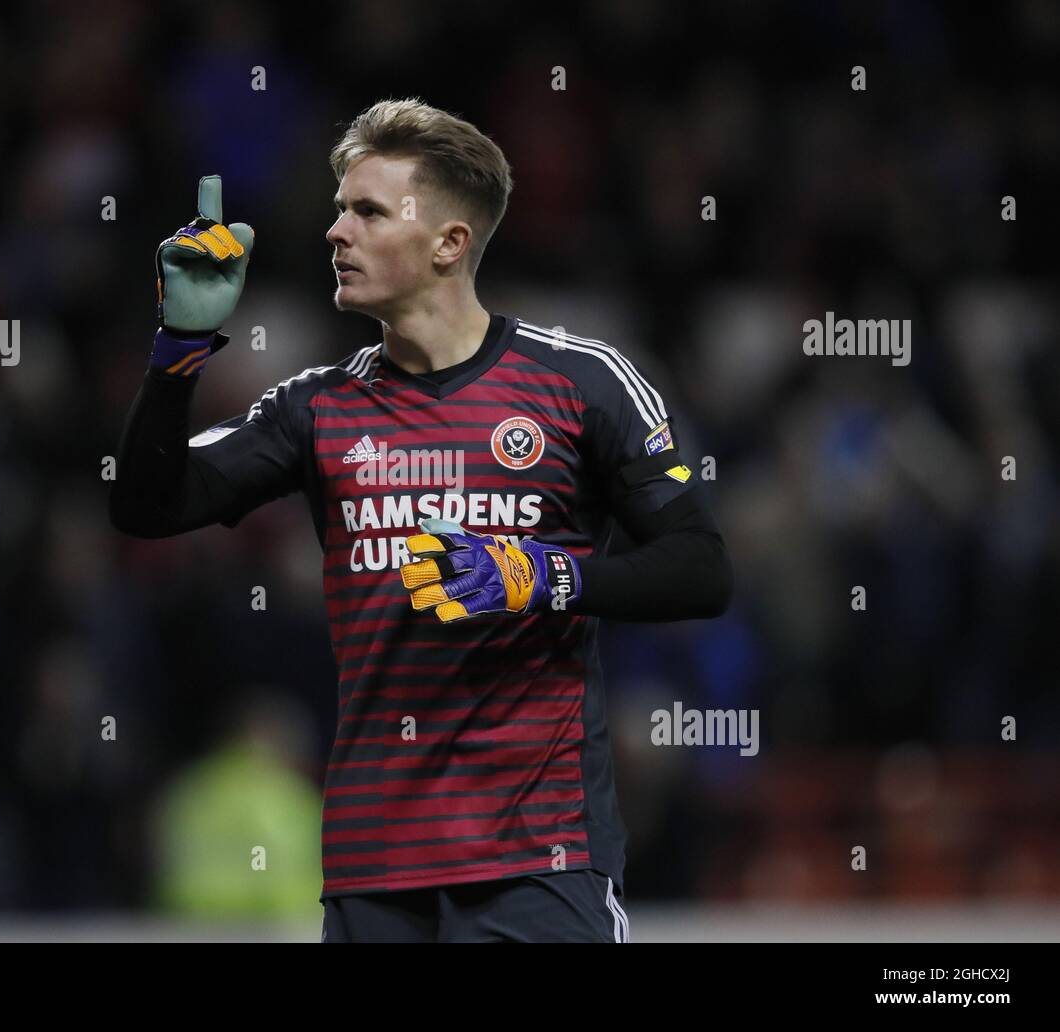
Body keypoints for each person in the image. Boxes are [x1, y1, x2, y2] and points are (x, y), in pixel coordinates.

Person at [110, 97, 733, 942]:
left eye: (367, 211)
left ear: (449, 243)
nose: (336, 232)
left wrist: (544, 575)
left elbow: (701, 568)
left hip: (538, 861)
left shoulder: (582, 384)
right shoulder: (313, 408)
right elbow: (148, 506)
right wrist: (180, 344)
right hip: (374, 871)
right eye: (338, 211)